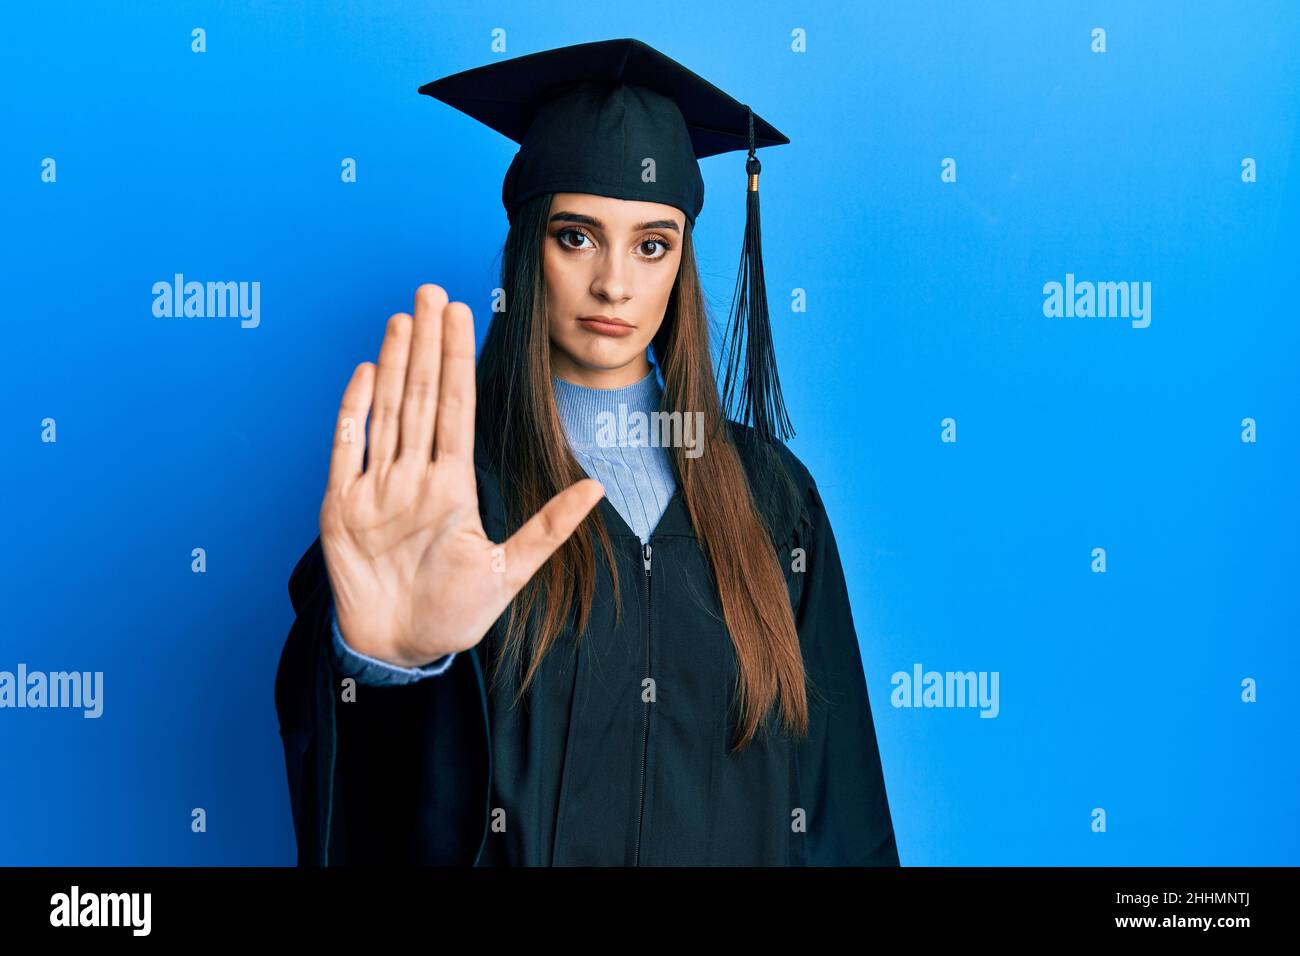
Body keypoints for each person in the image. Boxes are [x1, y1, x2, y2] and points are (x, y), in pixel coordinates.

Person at [274, 37, 899, 866]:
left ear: (682, 262)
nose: (615, 283)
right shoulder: (444, 493)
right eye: (577, 237)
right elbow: (377, 808)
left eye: (652, 244)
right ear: (528, 247)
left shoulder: (773, 498)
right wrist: (388, 668)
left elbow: (837, 805)